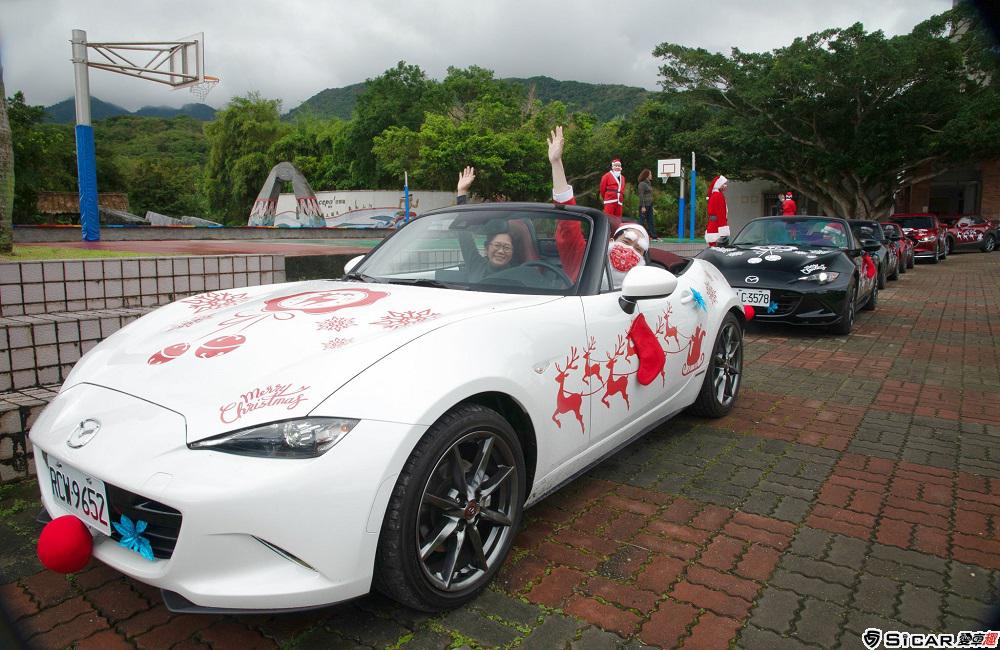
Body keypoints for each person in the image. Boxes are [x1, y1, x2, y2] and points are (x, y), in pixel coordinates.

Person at [548, 126, 648, 286]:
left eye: (638, 249)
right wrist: (556, 163)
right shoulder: (583, 261)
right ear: (610, 241)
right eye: (626, 242)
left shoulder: (646, 287)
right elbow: (568, 223)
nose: (629, 251)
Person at [454, 166, 518, 281]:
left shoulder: (520, 274)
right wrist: (462, 192)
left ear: (513, 252)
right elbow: (463, 234)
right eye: (497, 245)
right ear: (486, 248)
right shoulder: (476, 265)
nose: (501, 251)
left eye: (507, 247)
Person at [599, 158, 626, 227]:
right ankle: (606, 234)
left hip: (619, 201)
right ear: (612, 167)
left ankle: (616, 233)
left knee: (618, 219)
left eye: (619, 166)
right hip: (609, 200)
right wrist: (605, 198)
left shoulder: (623, 178)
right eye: (616, 166)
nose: (617, 167)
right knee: (608, 218)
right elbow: (602, 189)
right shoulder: (606, 176)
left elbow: (623, 189)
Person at [705, 175, 729, 246]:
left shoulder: (713, 195)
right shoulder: (718, 196)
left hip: (712, 225)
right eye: (724, 184)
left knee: (712, 246)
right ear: (719, 185)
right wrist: (723, 230)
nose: (726, 186)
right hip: (717, 227)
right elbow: (721, 213)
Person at [637, 169, 657, 240]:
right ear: (646, 175)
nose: (651, 175)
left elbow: (650, 196)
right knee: (641, 221)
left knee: (650, 221)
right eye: (650, 174)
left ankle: (654, 236)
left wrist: (652, 207)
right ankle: (637, 235)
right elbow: (641, 196)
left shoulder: (648, 183)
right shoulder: (642, 184)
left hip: (649, 205)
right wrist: (643, 206)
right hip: (644, 206)